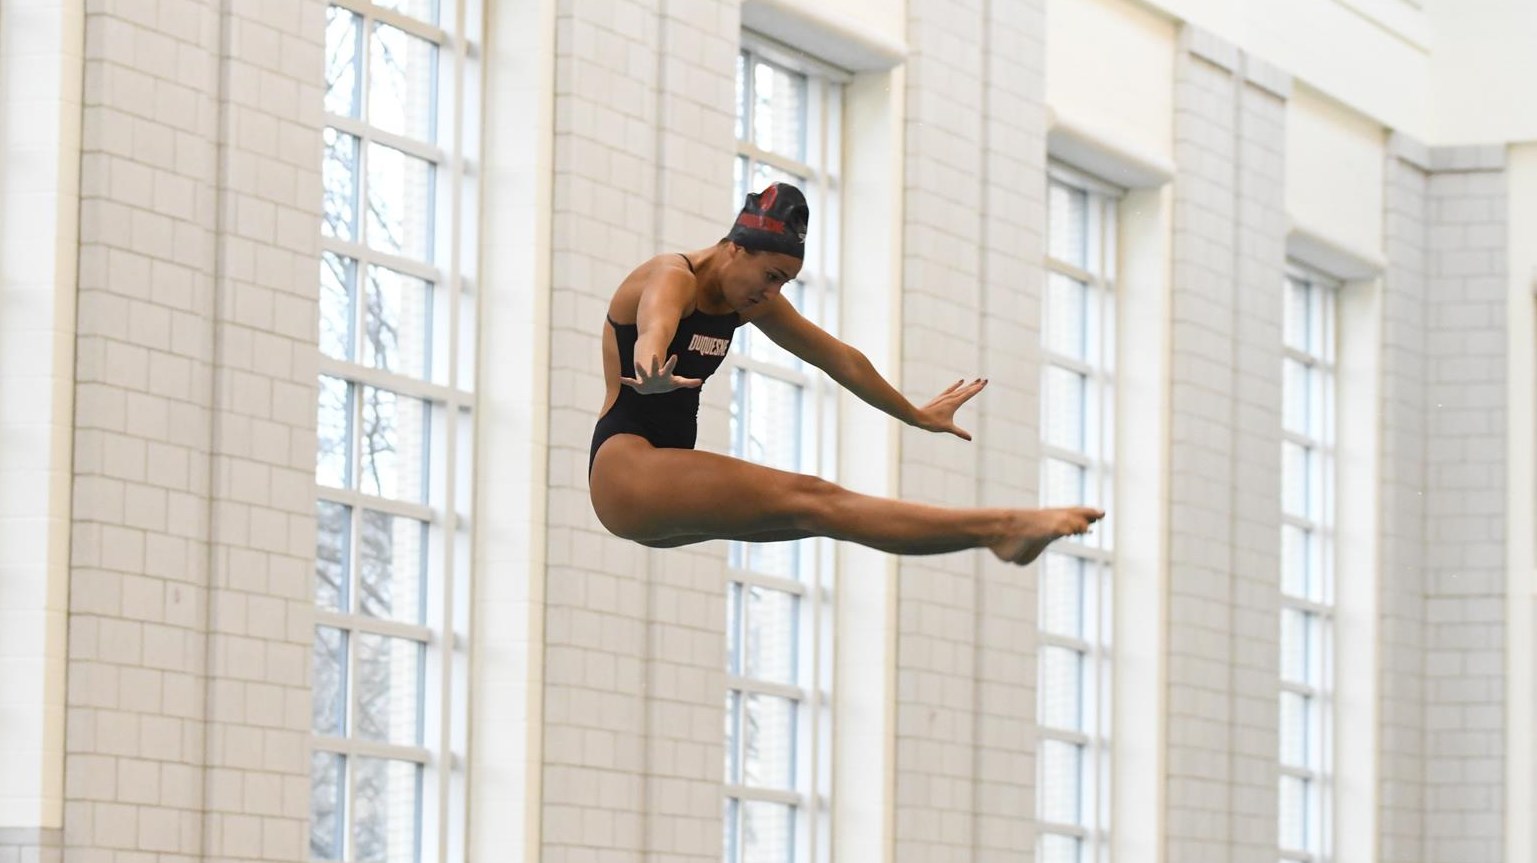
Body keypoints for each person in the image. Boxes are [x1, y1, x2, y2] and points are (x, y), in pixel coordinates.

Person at [587, 182, 1103, 565]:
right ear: (735, 247)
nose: (773, 295)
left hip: (660, 485)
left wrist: (916, 415)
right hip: (628, 469)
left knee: (821, 517)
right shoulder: (672, 277)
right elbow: (656, 326)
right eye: (770, 276)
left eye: (784, 283)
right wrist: (651, 367)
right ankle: (1003, 526)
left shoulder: (747, 299)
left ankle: (995, 535)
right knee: (817, 499)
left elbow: (839, 358)